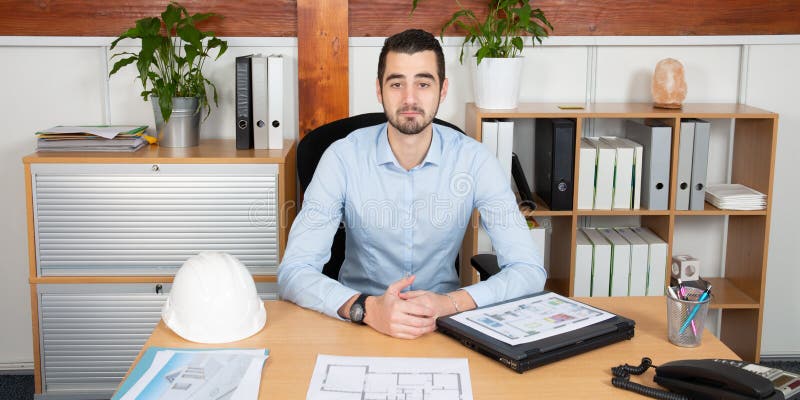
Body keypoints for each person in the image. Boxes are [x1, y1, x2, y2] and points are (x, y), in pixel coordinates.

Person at [278, 29, 545, 339]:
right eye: (396, 84)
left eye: (423, 83)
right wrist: (365, 308)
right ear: (379, 90)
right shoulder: (342, 158)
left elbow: (529, 270)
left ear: (442, 90)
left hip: (443, 323)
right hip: (359, 322)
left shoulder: (474, 160)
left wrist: (452, 303)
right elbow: (293, 272)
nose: (409, 98)